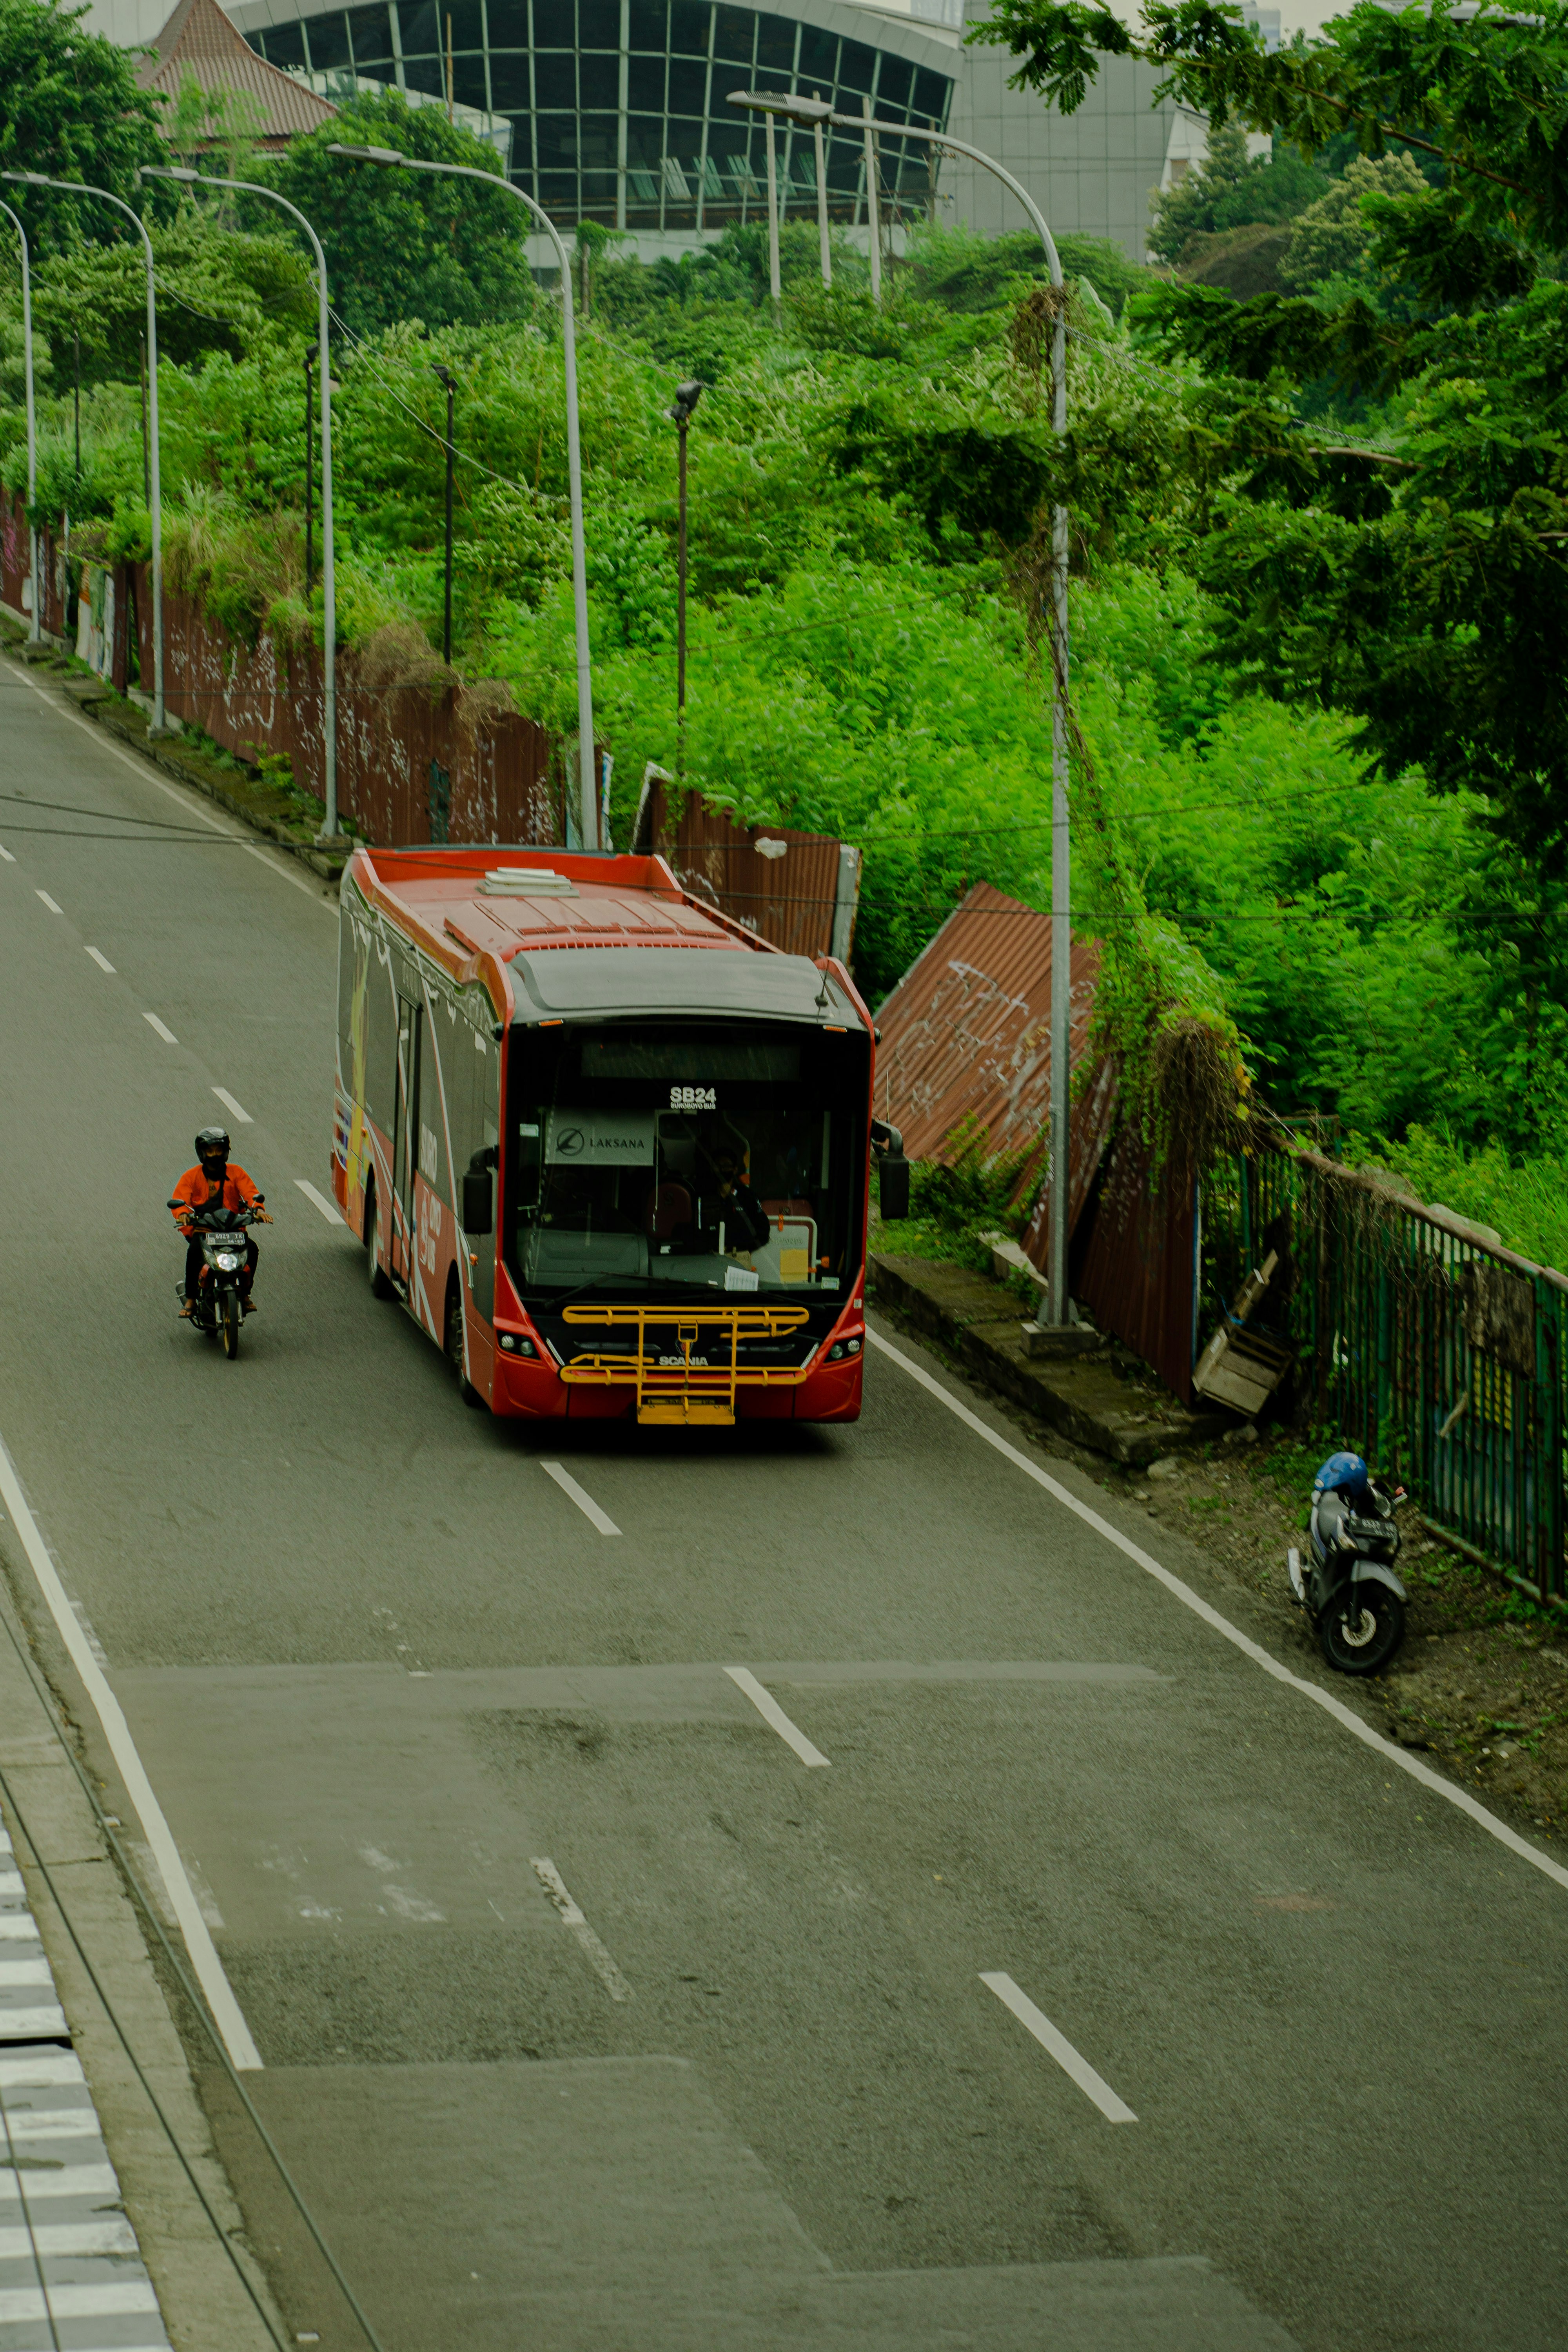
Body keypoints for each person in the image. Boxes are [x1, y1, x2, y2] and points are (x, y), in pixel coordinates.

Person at [170, 1127, 272, 1318]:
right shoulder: (191, 1177)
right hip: (204, 1230)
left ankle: (245, 1293)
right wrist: (183, 1214)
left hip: (234, 1230)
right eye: (210, 1151)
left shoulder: (236, 1172)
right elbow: (180, 1200)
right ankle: (191, 1299)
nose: (214, 1155)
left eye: (218, 1150)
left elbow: (251, 1193)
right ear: (202, 1153)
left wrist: (258, 1209)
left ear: (225, 1151)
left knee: (253, 1249)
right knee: (194, 1253)